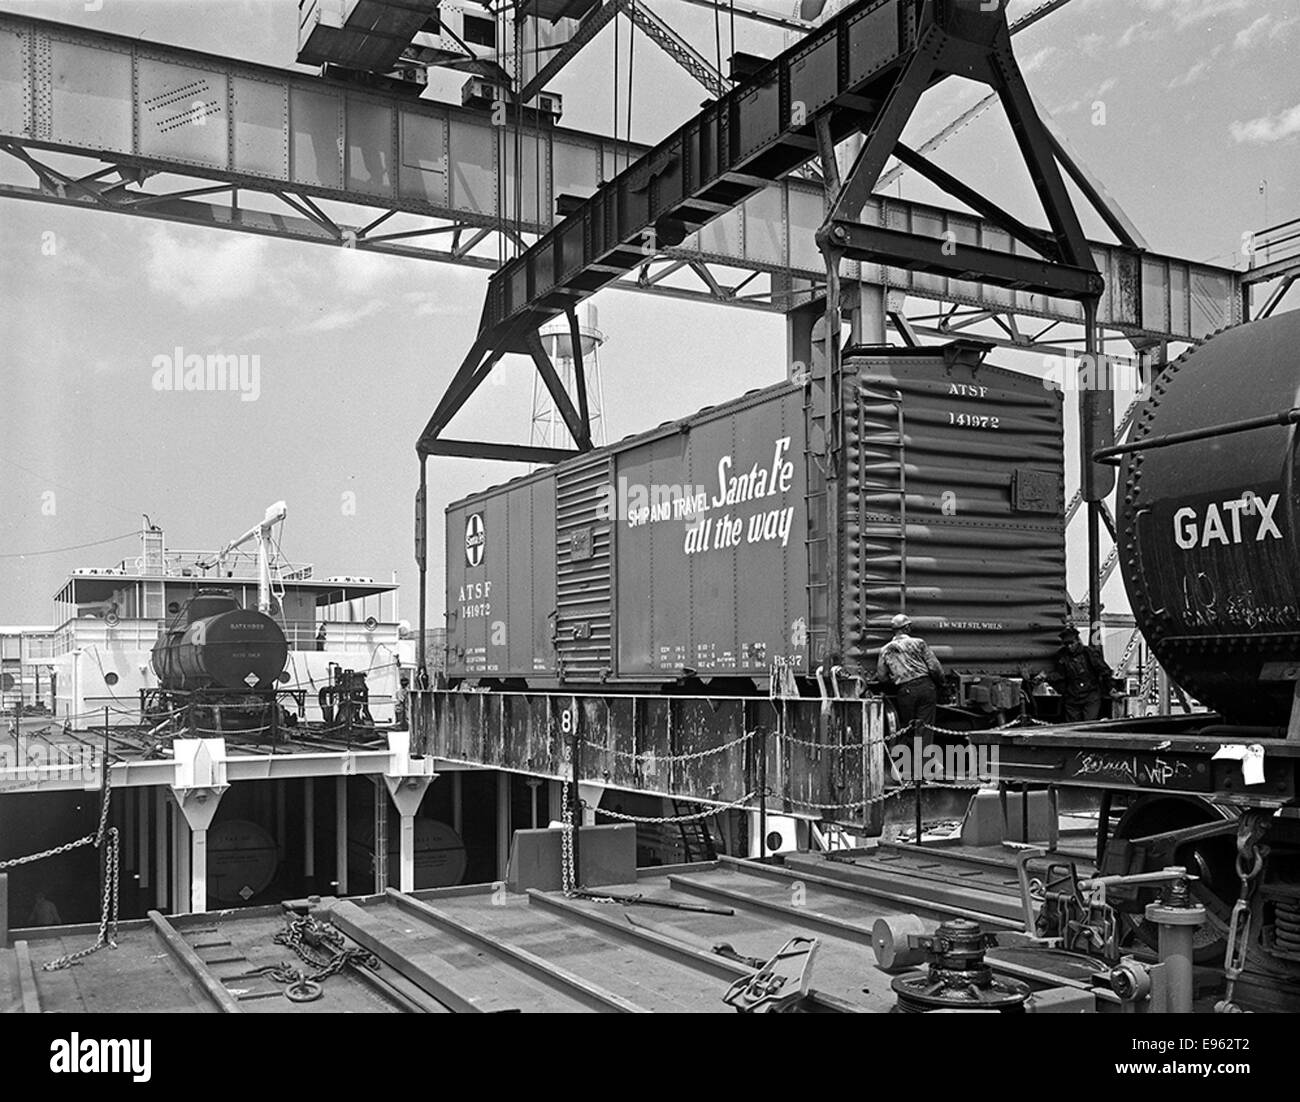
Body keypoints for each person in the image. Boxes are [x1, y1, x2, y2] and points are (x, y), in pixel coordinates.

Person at [875, 614, 945, 739]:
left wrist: (896, 679)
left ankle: (910, 756)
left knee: (909, 728)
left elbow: (882, 677)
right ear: (907, 628)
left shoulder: (885, 650)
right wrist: (941, 683)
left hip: (905, 690)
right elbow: (935, 668)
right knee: (924, 728)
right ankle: (923, 757)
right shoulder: (919, 643)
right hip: (925, 686)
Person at [1052, 626, 1113, 722]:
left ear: (1077, 641)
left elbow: (1104, 671)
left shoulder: (1089, 653)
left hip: (1090, 696)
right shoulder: (1062, 656)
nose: (1069, 646)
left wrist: (1111, 688)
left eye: (1071, 643)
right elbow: (1059, 675)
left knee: (1089, 724)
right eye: (1066, 644)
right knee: (1073, 726)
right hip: (1072, 698)